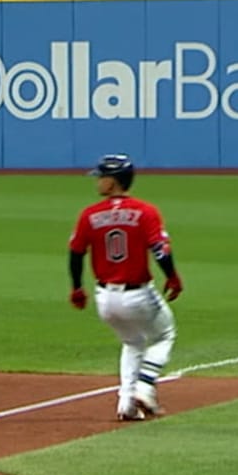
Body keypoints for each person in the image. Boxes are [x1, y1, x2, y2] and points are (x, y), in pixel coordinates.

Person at [67, 155, 183, 420]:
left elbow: (75, 253)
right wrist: (173, 277)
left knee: (132, 342)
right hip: (138, 294)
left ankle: (126, 404)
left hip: (105, 299)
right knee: (165, 334)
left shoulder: (90, 214)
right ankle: (145, 384)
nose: (98, 181)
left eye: (102, 177)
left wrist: (76, 288)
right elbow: (160, 249)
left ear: (113, 181)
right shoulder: (145, 211)